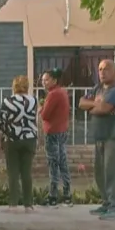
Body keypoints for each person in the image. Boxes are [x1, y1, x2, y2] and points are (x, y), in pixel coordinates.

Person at [78, 59, 115, 220]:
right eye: (100, 69)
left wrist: (95, 107)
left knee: (114, 173)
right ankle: (107, 203)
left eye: (106, 69)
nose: (102, 72)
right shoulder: (98, 88)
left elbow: (104, 108)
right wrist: (96, 104)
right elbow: (81, 103)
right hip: (100, 136)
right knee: (101, 173)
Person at [0, 75, 39, 212]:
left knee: (13, 172)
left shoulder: (7, 101)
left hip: (12, 139)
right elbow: (36, 120)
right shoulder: (33, 101)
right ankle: (28, 204)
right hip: (30, 139)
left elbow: (1, 123)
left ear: (14, 86)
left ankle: (13, 204)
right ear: (27, 86)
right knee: (26, 172)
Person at [39, 69, 73, 206]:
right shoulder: (62, 92)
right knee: (62, 162)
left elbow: (44, 115)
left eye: (46, 80)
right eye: (42, 80)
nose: (43, 83)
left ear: (54, 80)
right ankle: (67, 194)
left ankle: (53, 196)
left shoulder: (53, 94)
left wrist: (41, 107)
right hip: (62, 130)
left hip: (52, 131)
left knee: (53, 163)